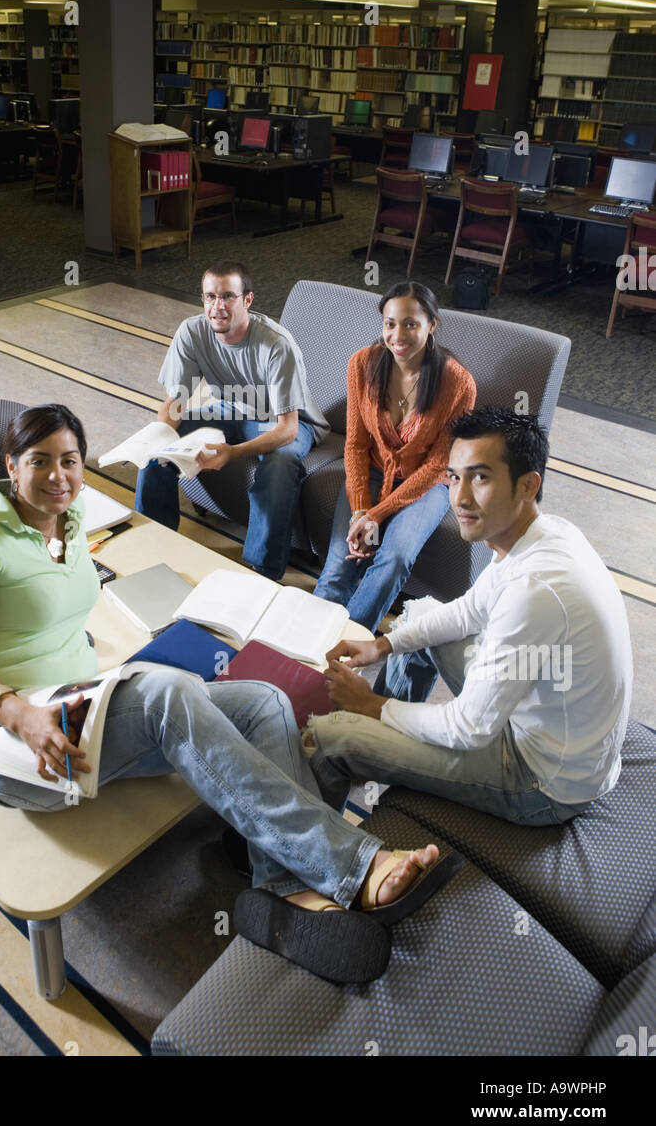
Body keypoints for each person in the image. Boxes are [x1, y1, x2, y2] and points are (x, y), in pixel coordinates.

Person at [0, 403, 459, 985]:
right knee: (167, 690)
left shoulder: (72, 516)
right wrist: (20, 714)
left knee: (265, 701)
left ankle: (284, 888)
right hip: (14, 738)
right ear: (11, 464)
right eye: (40, 462)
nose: (59, 476)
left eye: (71, 461)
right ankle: (355, 864)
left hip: (85, 707)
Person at [309, 408, 634, 826]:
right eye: (454, 476)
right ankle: (386, 744)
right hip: (545, 728)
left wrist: (371, 705)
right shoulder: (544, 533)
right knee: (421, 616)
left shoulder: (535, 590)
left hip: (543, 782)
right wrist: (381, 644)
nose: (460, 498)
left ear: (527, 485)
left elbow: (470, 728)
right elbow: (468, 611)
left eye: (480, 477)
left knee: (331, 736)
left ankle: (309, 861)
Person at [134, 261, 329, 581]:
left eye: (227, 296)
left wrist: (233, 452)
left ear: (247, 300)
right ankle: (155, 541)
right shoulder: (191, 332)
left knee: (280, 464)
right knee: (159, 443)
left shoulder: (276, 344)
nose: (217, 306)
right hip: (231, 409)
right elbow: (175, 404)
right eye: (210, 297)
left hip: (283, 421)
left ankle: (262, 570)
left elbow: (288, 428)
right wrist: (161, 437)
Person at [314, 281, 476, 633]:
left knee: (395, 556)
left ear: (432, 325)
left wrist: (376, 514)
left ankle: (349, 648)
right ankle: (304, 654)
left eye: (410, 324)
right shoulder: (362, 363)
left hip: (428, 484)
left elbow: (437, 465)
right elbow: (356, 445)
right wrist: (360, 509)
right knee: (338, 568)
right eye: (390, 324)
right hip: (370, 473)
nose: (397, 335)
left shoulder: (458, 383)